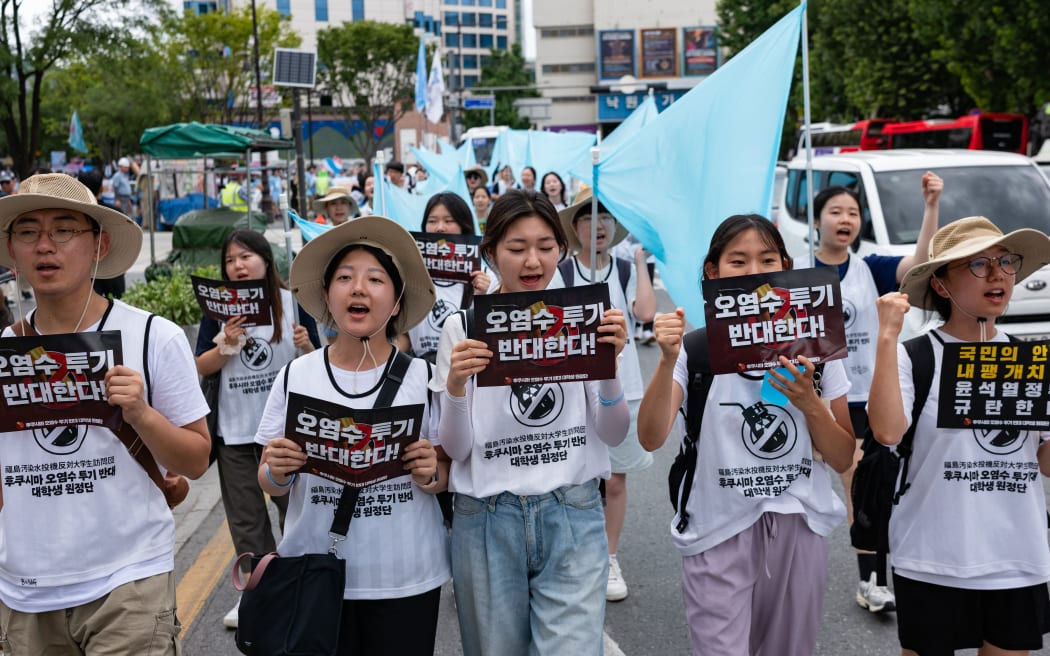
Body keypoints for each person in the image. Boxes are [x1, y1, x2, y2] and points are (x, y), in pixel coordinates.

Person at [0, 173, 211, 653]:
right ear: (12, 249)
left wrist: (142, 414)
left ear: (99, 244)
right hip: (24, 593)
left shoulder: (154, 337)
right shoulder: (4, 350)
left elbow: (197, 459)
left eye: (64, 230)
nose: (45, 246)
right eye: (28, 231)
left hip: (129, 582)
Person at [637, 214, 855, 656]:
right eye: (738, 261)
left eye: (767, 259)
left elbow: (843, 455)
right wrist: (666, 360)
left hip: (800, 525)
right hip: (716, 529)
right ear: (713, 272)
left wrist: (809, 403)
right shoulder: (694, 350)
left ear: (786, 266)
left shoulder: (817, 345)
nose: (755, 271)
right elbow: (651, 436)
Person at [434, 189, 630, 655]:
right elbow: (456, 449)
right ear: (490, 252)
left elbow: (614, 432)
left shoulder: (587, 318)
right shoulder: (463, 327)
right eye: (517, 248)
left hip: (573, 512)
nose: (532, 261)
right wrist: (456, 386)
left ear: (561, 249)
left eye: (545, 246)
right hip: (485, 519)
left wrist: (609, 368)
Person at [256, 216, 450, 655]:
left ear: (396, 303)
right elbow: (268, 479)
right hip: (315, 577)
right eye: (344, 278)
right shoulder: (295, 376)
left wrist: (431, 472)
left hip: (407, 578)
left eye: (375, 279)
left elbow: (447, 471)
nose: (358, 288)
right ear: (327, 295)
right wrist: (278, 471)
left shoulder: (424, 378)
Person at [869, 217, 1050, 656]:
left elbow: (1044, 463)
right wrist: (887, 338)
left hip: (1016, 554)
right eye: (978, 264)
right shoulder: (915, 356)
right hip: (930, 556)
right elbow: (887, 431)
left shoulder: (1029, 361)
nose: (997, 275)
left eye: (1005, 262)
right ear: (941, 285)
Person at [799, 173, 942, 613]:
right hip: (809, 395)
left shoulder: (872, 268)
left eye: (852, 213)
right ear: (816, 221)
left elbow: (920, 265)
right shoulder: (795, 273)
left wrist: (930, 207)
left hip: (863, 394)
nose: (845, 219)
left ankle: (871, 579)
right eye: (835, 212)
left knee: (863, 483)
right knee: (813, 483)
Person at [194, 229, 320, 630]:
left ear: (266, 260)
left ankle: (300, 587)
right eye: (230, 260)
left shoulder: (292, 302)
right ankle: (258, 594)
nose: (238, 265)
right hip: (234, 434)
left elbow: (321, 364)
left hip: (286, 435)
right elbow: (200, 366)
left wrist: (307, 345)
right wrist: (226, 343)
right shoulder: (218, 311)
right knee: (246, 521)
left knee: (295, 513)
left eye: (246, 256)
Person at [550, 188, 655, 601]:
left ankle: (609, 557)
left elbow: (645, 313)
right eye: (589, 218)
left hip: (622, 390)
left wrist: (641, 263)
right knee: (575, 479)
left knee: (615, 481)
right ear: (575, 227)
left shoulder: (625, 270)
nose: (599, 226)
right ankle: (575, 554)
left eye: (607, 218)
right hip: (574, 393)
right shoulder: (563, 273)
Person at [406, 192, 490, 363]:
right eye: (432, 221)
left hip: (465, 369)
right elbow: (404, 335)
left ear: (464, 226)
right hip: (422, 368)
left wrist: (484, 297)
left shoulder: (484, 277)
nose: (440, 228)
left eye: (449, 221)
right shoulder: (411, 274)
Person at [77, 169, 127, 300]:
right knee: (116, 305)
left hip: (86, 269)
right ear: (101, 188)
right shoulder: (115, 213)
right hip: (113, 268)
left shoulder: (76, 215)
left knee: (88, 305)